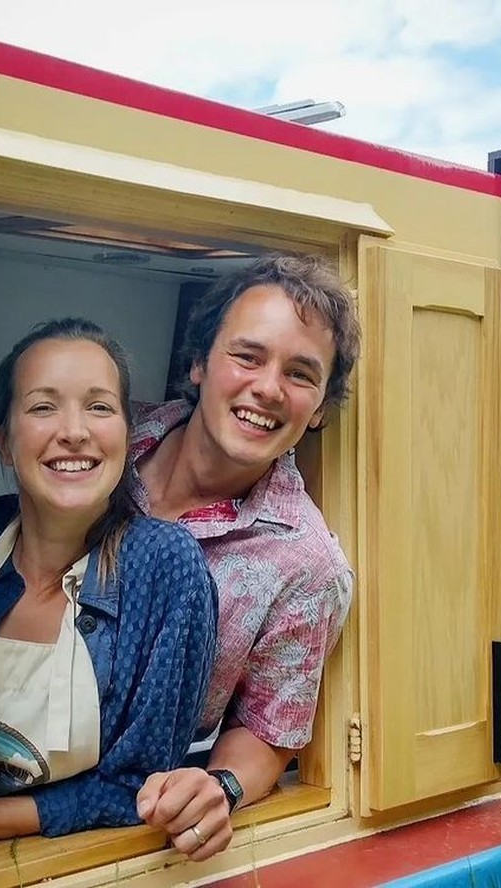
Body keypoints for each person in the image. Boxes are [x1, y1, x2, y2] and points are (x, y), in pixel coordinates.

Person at [0, 318, 218, 840]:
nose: (74, 431)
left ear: (126, 434)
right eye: (43, 407)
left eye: (99, 406)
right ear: (3, 442)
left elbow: (136, 786)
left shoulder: (165, 567)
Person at [134, 255, 360, 860]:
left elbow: (267, 731)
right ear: (198, 363)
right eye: (248, 356)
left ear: (318, 412)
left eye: (301, 374)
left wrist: (218, 789)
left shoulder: (307, 566)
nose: (267, 388)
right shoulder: (109, 437)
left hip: (124, 818)